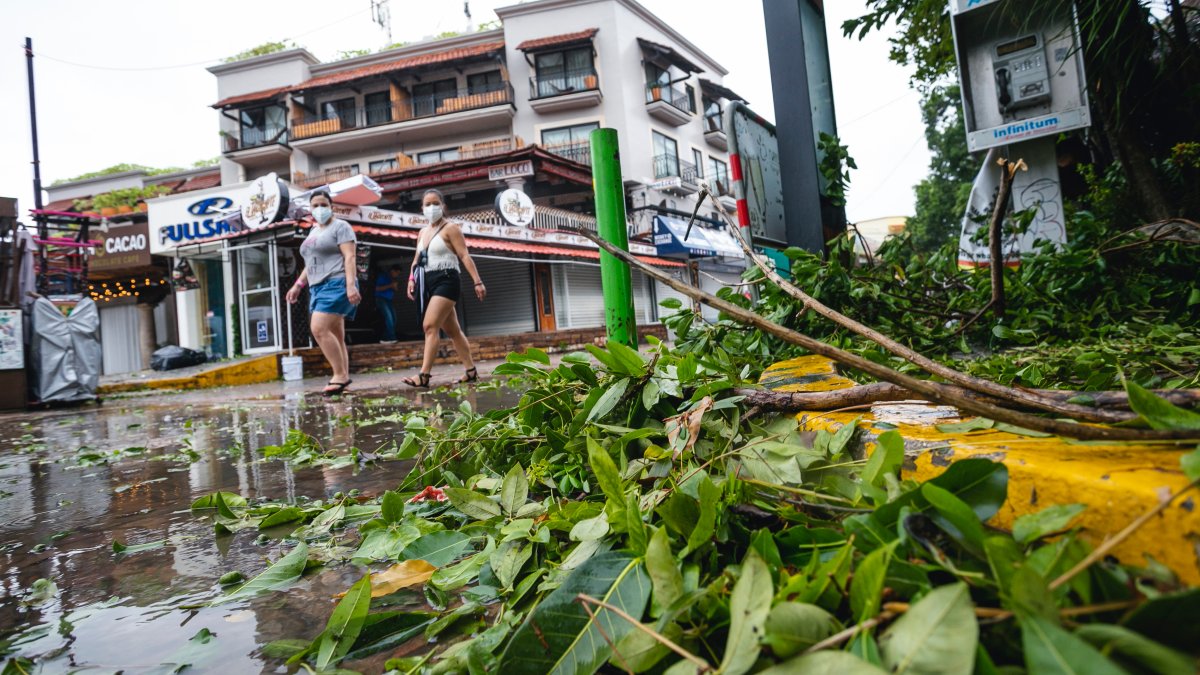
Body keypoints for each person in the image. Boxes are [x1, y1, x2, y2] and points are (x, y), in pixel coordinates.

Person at [402, 188, 487, 388]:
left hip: (447, 280)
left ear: (443, 206)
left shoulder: (451, 228)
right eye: (427, 204)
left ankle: (424, 376)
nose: (431, 207)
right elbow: (416, 259)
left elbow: (464, 255)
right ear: (422, 208)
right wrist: (411, 279)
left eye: (435, 203)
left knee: (430, 326)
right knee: (453, 330)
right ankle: (471, 372)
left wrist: (477, 281)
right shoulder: (422, 232)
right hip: (427, 281)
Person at [287, 191, 361, 396]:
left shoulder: (341, 226)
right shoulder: (313, 231)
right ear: (310, 209)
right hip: (317, 287)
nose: (319, 209)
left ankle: (339, 376)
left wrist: (350, 285)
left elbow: (350, 257)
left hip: (337, 283)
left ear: (331, 206)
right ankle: (344, 379)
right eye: (315, 206)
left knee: (319, 328)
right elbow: (310, 263)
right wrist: (298, 285)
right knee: (336, 335)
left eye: (323, 204)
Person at [375, 264, 401, 343]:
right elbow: (377, 288)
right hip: (381, 299)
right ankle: (391, 338)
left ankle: (385, 338)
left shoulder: (393, 279)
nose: (397, 275)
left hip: (389, 300)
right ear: (392, 271)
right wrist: (390, 285)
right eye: (397, 273)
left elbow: (395, 290)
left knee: (394, 318)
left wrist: (394, 286)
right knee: (389, 317)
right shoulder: (383, 276)